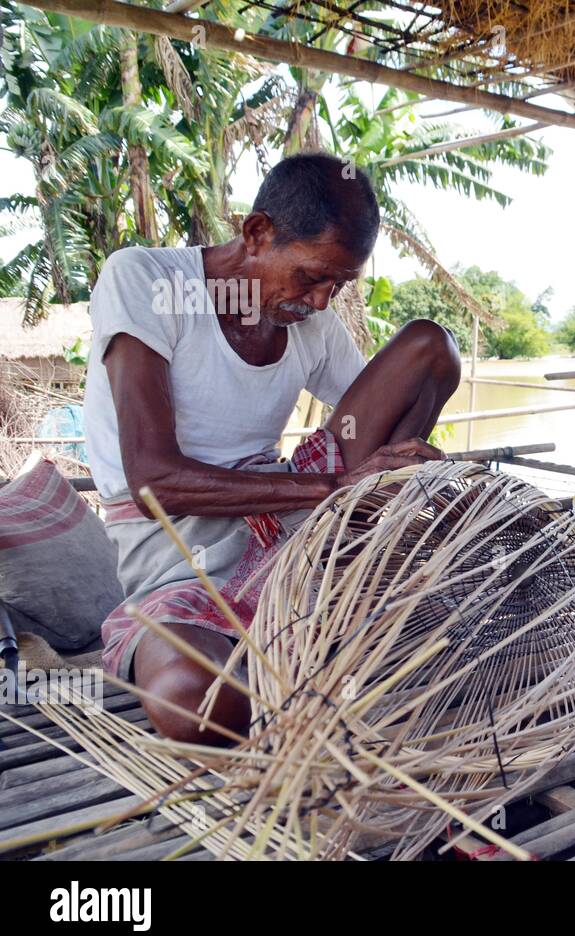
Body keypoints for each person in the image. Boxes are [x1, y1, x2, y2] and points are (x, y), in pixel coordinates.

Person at [84, 153, 460, 743]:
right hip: (177, 544)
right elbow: (155, 481)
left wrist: (389, 479)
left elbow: (378, 413)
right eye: (312, 276)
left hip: (290, 516)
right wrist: (333, 490)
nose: (321, 302)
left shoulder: (310, 322)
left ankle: (351, 566)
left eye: (338, 284)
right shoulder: (149, 281)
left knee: (430, 347)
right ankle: (321, 647)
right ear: (257, 233)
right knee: (192, 697)